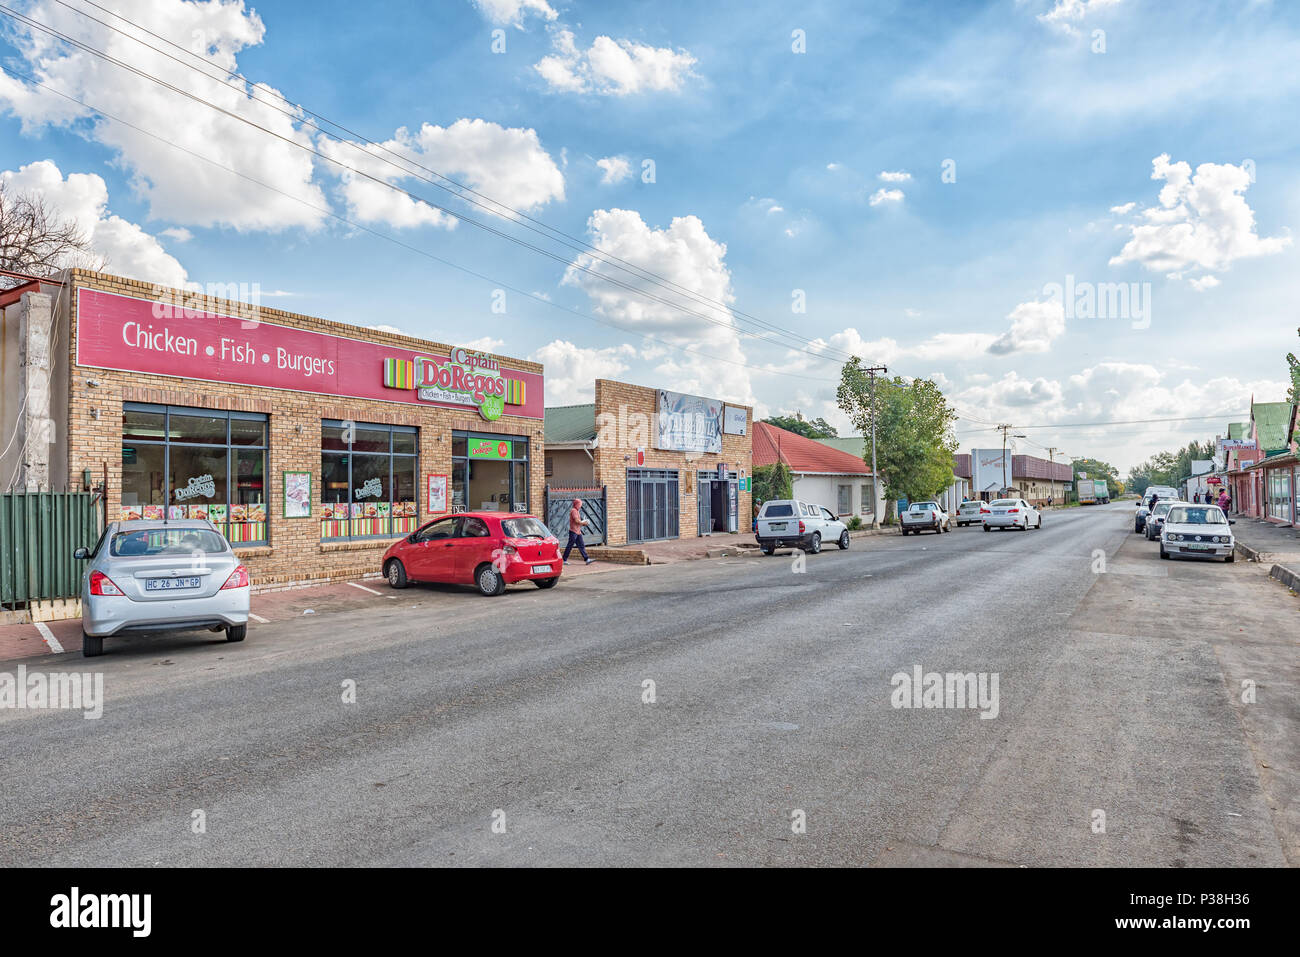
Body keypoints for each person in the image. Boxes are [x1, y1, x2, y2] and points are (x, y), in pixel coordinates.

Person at [563, 498, 595, 565]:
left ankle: (587, 559)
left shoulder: (577, 511)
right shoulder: (574, 511)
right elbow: (576, 521)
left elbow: (578, 522)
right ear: (577, 504)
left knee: (581, 545)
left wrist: (582, 523)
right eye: (579, 504)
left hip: (578, 531)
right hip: (573, 531)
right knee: (570, 545)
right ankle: (564, 559)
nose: (580, 506)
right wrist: (583, 523)